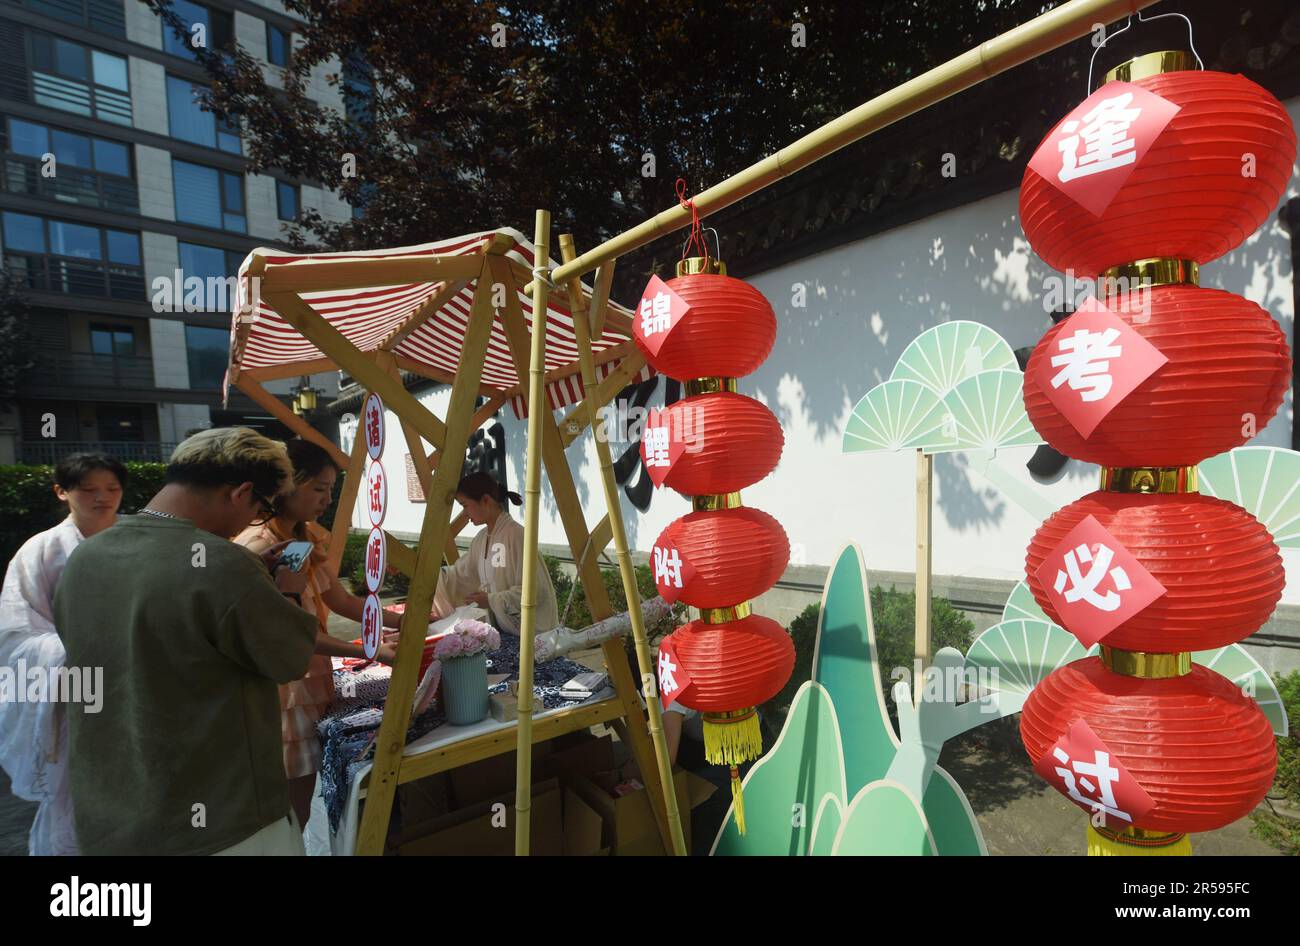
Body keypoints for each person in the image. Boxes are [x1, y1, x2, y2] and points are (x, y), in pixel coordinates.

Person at [53, 428, 319, 855]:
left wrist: (248, 574)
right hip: (225, 819)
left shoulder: (87, 556)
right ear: (242, 492)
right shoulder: (221, 564)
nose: (253, 521)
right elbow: (289, 658)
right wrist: (285, 590)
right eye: (260, 509)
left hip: (115, 814)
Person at [234, 438, 400, 830]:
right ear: (288, 484)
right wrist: (371, 649)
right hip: (284, 690)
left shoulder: (299, 537)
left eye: (331, 490)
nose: (326, 499)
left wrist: (399, 620)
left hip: (309, 680)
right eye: (319, 489)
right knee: (289, 806)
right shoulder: (260, 546)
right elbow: (291, 631)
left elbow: (339, 600)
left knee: (301, 802)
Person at [0, 453, 126, 855]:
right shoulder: (40, 551)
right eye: (88, 489)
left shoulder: (136, 543)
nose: (102, 498)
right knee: (76, 784)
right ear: (62, 492)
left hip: (134, 681)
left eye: (112, 489)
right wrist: (76, 649)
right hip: (73, 686)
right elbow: (15, 632)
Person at [436, 471, 558, 634]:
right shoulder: (481, 539)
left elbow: (534, 590)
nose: (464, 513)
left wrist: (491, 600)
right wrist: (430, 575)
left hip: (532, 634)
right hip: (504, 630)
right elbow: (459, 576)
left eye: (465, 505)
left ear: (485, 500)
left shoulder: (517, 535)